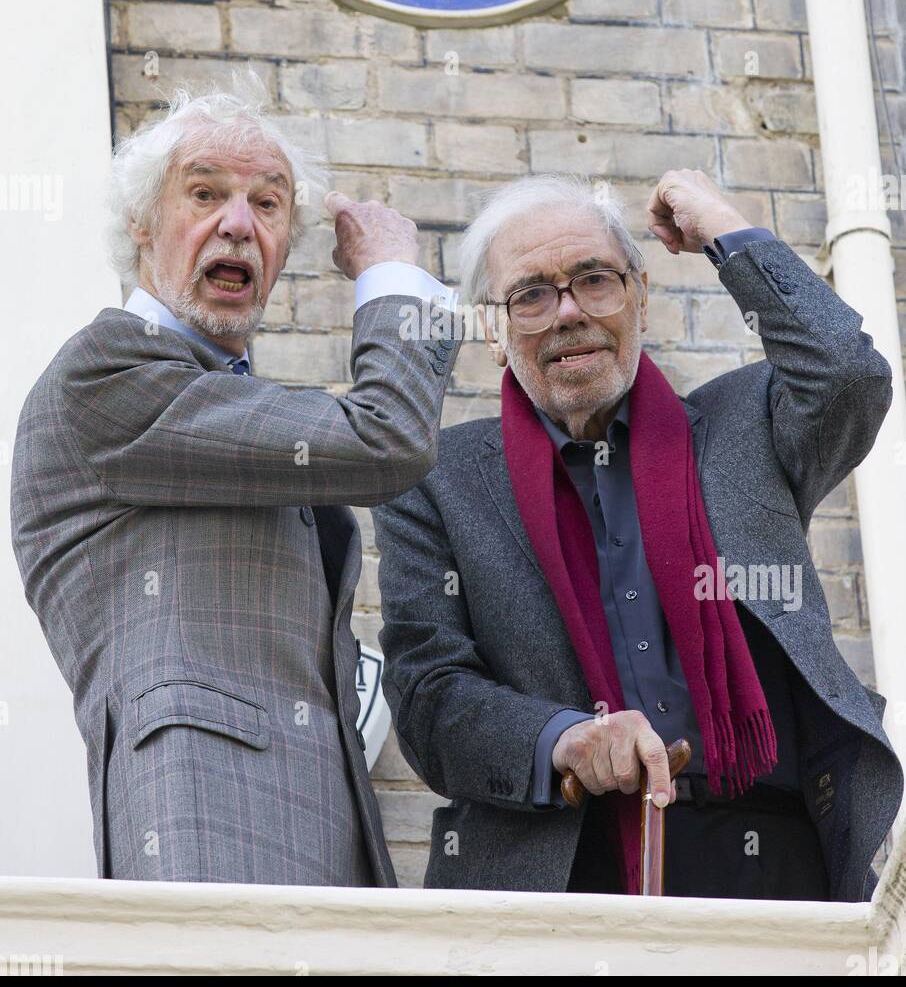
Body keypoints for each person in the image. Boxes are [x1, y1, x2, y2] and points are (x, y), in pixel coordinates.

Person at [373, 169, 902, 900]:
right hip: (559, 874)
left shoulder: (745, 427)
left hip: (776, 865)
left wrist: (723, 226)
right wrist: (564, 739)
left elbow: (849, 374)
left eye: (595, 279)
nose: (567, 313)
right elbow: (428, 696)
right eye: (530, 295)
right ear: (494, 332)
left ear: (641, 297)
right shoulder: (437, 479)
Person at [10, 84, 461, 885]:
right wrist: (393, 278)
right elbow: (387, 435)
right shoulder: (110, 369)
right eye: (206, 193)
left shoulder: (221, 395)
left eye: (268, 203)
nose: (239, 223)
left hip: (324, 833)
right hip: (204, 824)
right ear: (141, 226)